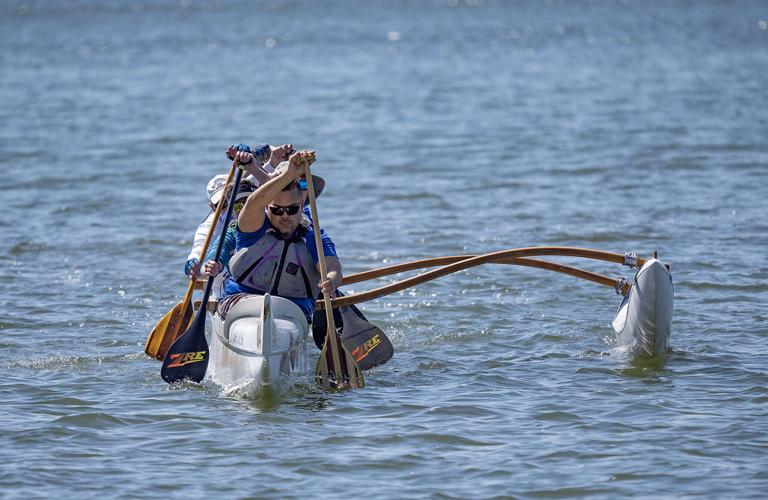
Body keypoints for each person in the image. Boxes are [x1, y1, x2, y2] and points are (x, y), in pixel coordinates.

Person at [216, 149, 340, 323]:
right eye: (277, 210)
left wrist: (331, 280)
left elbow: (332, 266)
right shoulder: (254, 224)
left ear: (301, 204)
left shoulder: (313, 234)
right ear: (267, 206)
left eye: (291, 209)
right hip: (241, 299)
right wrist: (289, 174)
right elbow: (253, 202)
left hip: (293, 307)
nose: (284, 216)